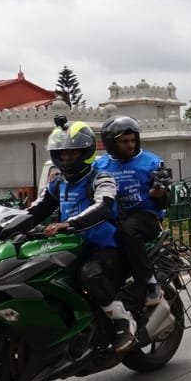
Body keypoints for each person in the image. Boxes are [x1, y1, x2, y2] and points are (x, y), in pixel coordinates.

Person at [25, 121, 135, 352]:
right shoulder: (58, 183)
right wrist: (8, 226)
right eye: (62, 152)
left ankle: (122, 322)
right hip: (69, 246)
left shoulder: (100, 177)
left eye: (72, 151)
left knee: (90, 275)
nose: (67, 157)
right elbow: (37, 209)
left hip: (102, 246)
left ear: (85, 151)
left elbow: (103, 206)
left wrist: (69, 224)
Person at [95, 116, 171, 308]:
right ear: (111, 143)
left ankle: (150, 283)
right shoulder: (100, 166)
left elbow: (167, 201)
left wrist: (158, 194)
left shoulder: (152, 162)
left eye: (132, 140)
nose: (130, 145)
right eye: (124, 142)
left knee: (127, 232)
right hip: (113, 217)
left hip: (146, 217)